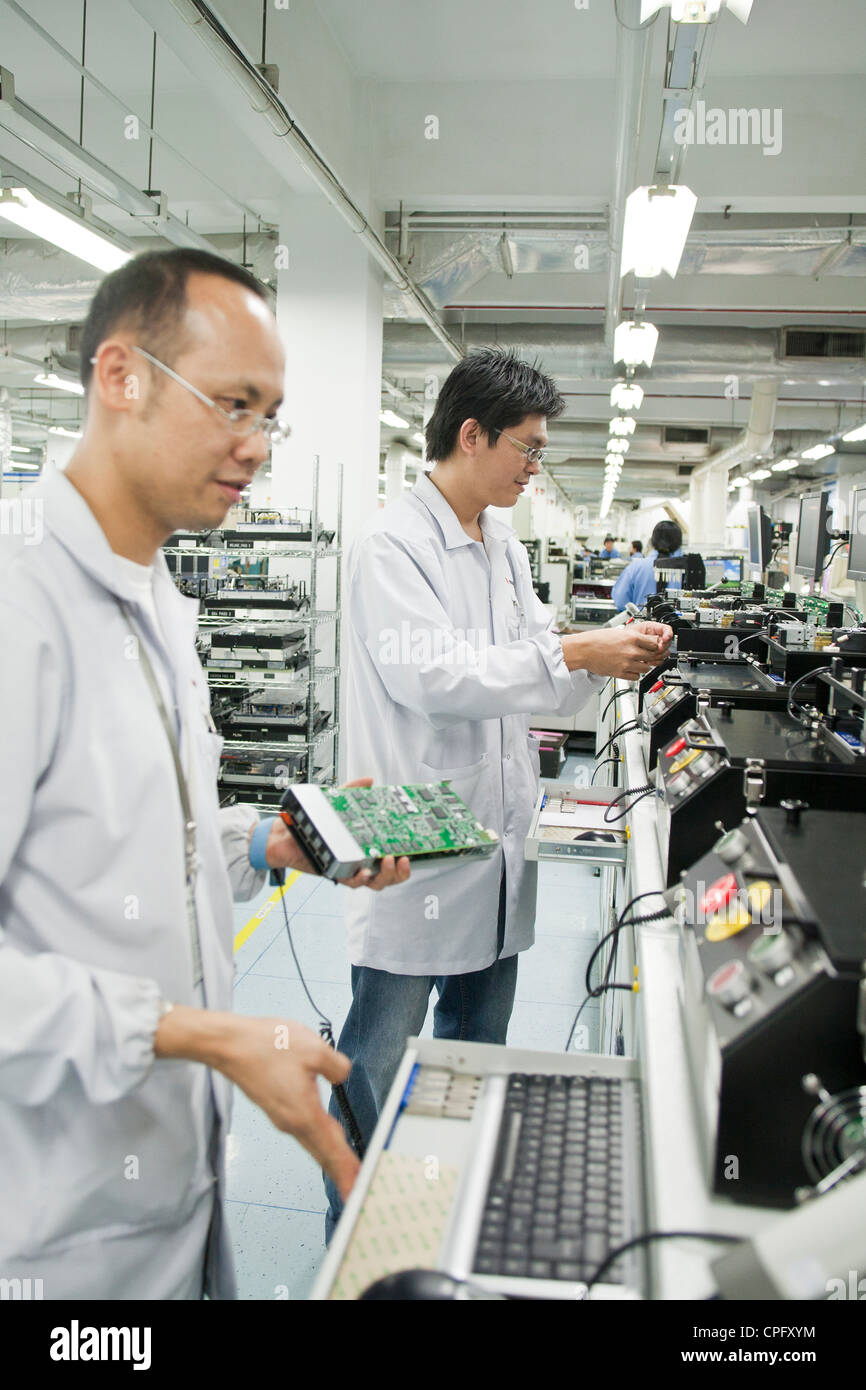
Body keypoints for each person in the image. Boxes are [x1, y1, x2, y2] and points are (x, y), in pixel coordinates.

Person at [0, 249, 409, 1300]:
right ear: (120, 375)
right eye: (234, 403)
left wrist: (268, 837)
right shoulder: (19, 605)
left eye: (271, 416)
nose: (256, 447)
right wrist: (197, 1034)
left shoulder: (156, 599)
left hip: (175, 1196)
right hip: (54, 1240)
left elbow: (135, 846)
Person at [325, 348, 674, 1231]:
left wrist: (606, 660)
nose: (534, 465)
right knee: (379, 1069)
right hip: (414, 840)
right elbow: (437, 680)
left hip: (496, 844)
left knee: (472, 1066)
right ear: (471, 434)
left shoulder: (504, 544)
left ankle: (439, 1227)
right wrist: (571, 651)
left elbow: (527, 675)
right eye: (527, 446)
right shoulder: (391, 544)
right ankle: (350, 1247)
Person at [612, 520, 684, 611]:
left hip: (641, 624)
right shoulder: (688, 570)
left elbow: (620, 601)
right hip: (678, 625)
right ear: (679, 543)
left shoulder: (636, 567)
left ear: (652, 541)